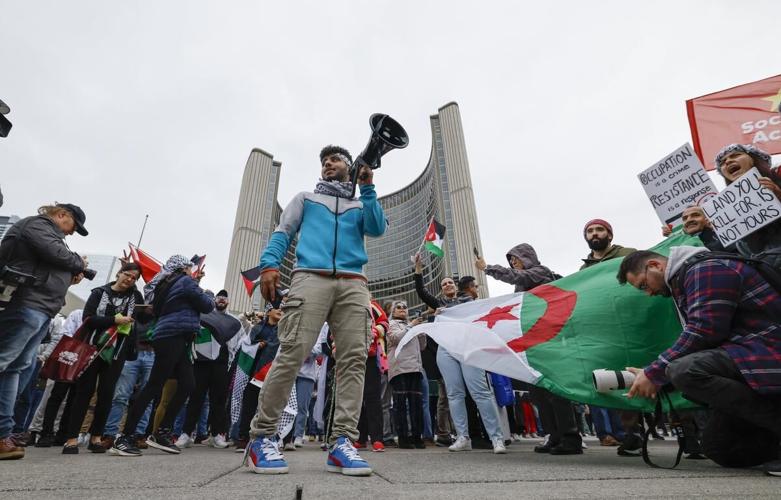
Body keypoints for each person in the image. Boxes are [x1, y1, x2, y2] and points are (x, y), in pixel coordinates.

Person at [247, 145, 386, 476]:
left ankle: (342, 442)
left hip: (354, 282)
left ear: (350, 167)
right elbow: (283, 233)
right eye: (324, 161)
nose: (328, 164)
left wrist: (367, 188)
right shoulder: (305, 199)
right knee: (292, 354)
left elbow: (377, 227)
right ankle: (262, 437)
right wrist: (269, 264)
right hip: (309, 277)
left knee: (353, 359)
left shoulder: (359, 203)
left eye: (335, 160)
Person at [617, 247, 781, 476]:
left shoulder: (705, 268)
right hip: (748, 359)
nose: (649, 293)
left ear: (655, 265)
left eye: (644, 285)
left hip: (768, 355)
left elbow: (705, 330)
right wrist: (656, 375)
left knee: (685, 370)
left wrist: (654, 372)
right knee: (721, 449)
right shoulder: (687, 278)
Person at [0, 203, 89, 460]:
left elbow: (52, 260)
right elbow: (55, 253)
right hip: (25, 303)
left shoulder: (52, 236)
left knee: (13, 368)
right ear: (62, 215)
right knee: (5, 363)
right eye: (73, 227)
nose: (71, 234)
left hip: (40, 309)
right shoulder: (38, 224)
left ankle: (3, 433)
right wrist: (77, 262)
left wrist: (70, 274)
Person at [478, 243, 581, 455]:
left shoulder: (539, 273)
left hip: (551, 336)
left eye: (516, 260)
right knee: (539, 391)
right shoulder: (523, 283)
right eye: (512, 262)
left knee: (555, 390)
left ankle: (570, 437)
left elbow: (517, 277)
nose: (514, 265)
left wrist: (488, 268)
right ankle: (554, 435)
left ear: (527, 258)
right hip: (534, 339)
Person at [110, 255, 214, 457]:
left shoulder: (164, 284)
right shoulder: (184, 281)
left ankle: (162, 431)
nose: (191, 271)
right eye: (189, 268)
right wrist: (201, 289)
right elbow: (207, 305)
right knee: (154, 385)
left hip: (175, 336)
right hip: (172, 335)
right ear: (183, 268)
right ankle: (125, 436)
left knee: (187, 384)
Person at [59, 262, 145, 455]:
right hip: (93, 348)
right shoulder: (99, 293)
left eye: (134, 278)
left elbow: (143, 313)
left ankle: (96, 437)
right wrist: (114, 320)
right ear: (119, 273)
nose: (129, 280)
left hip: (117, 351)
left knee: (107, 394)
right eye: (127, 275)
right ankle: (71, 438)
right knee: (84, 392)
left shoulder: (134, 297)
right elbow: (88, 319)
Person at [579, 218, 642, 456]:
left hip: (633, 322)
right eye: (590, 231)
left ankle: (687, 432)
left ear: (610, 234)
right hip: (606, 329)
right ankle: (631, 434)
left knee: (645, 373)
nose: (595, 234)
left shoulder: (628, 254)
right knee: (618, 380)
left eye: (599, 229)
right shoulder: (584, 270)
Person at [177, 289, 242, 449]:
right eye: (219, 297)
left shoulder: (234, 321)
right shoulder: (203, 316)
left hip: (222, 361)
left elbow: (239, 343)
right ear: (214, 300)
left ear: (228, 302)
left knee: (218, 399)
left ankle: (216, 435)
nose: (221, 300)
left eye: (224, 298)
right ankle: (186, 433)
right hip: (202, 361)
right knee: (196, 397)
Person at [412, 254, 457, 446]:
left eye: (450, 282)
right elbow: (421, 291)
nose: (447, 285)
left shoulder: (466, 303)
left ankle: (468, 432)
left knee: (465, 394)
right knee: (445, 396)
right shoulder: (440, 305)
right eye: (444, 284)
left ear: (455, 286)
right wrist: (418, 269)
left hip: (463, 353)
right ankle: (444, 434)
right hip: (445, 355)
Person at [714, 143, 781, 268]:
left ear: (755, 160)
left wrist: (779, 195)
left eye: (736, 155)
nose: (728, 162)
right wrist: (711, 231)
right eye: (723, 162)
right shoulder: (727, 209)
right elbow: (740, 251)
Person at [386, 300, 427, 449]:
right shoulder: (391, 324)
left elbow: (422, 346)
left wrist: (421, 332)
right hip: (400, 368)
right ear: (393, 311)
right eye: (399, 307)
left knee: (416, 404)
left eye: (405, 307)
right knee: (400, 405)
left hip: (415, 368)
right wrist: (411, 326)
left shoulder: (413, 326)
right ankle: (403, 438)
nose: (403, 309)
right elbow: (395, 338)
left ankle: (417, 437)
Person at [355, 299, 388, 452]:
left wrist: (377, 330)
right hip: (351, 356)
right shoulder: (343, 303)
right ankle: (359, 438)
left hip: (370, 355)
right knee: (355, 398)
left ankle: (377, 438)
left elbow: (384, 321)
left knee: (372, 397)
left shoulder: (371, 304)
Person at [661, 206, 726, 252]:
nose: (688, 220)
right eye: (685, 218)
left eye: (695, 215)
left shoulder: (726, 236)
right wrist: (671, 237)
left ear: (707, 219)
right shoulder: (682, 250)